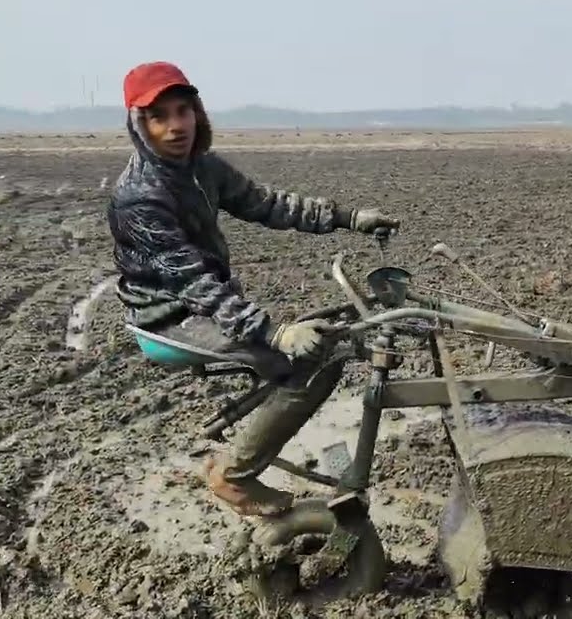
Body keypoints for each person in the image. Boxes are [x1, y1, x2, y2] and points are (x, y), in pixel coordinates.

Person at [106, 61, 399, 517]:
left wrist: (349, 218)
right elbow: (194, 283)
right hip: (168, 318)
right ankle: (236, 477)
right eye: (158, 117)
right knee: (304, 358)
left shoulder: (204, 168)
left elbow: (268, 205)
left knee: (328, 341)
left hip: (202, 304)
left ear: (197, 113)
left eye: (182, 111)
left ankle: (259, 433)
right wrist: (275, 334)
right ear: (138, 126)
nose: (175, 126)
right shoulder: (139, 197)